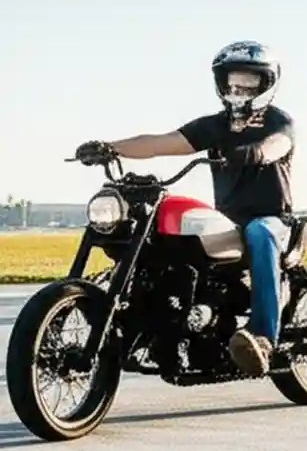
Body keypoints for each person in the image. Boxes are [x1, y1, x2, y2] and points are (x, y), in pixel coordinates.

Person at [75, 41, 295, 376]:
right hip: (227, 221)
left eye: (248, 81)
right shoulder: (216, 125)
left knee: (259, 231)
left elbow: (276, 146)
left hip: (271, 217)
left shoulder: (278, 121)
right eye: (231, 80)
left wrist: (252, 153)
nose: (238, 88)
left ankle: (263, 338)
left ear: (266, 83)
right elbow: (161, 142)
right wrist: (109, 148)